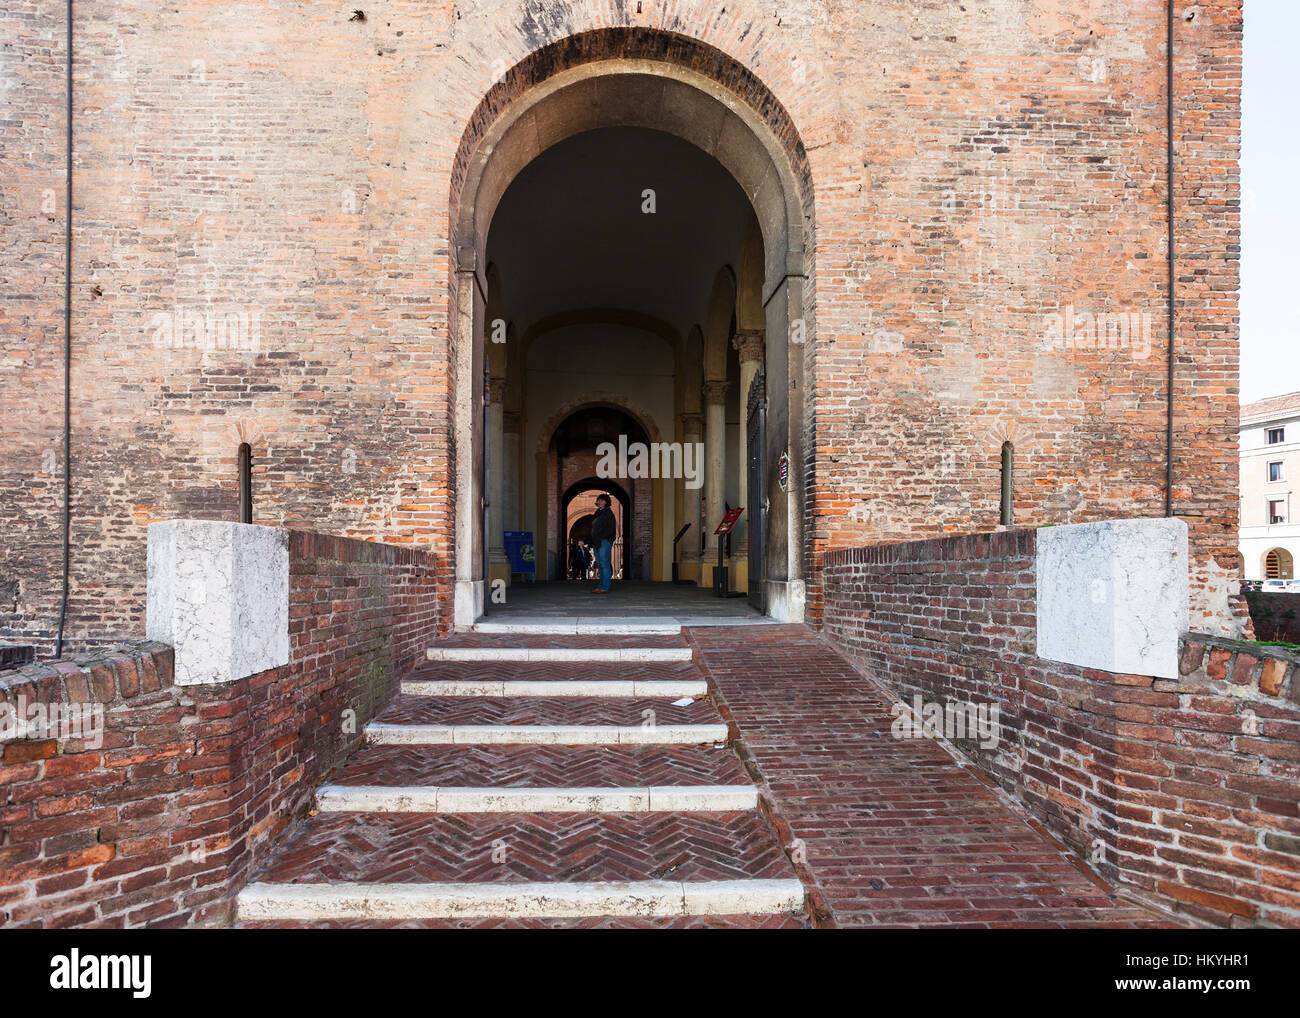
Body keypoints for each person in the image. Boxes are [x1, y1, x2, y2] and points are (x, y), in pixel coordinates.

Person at [590, 494, 616, 594]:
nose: (599, 501)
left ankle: (605, 587)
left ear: (606, 502)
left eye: (602, 500)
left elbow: (611, 529)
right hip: (596, 541)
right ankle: (600, 586)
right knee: (600, 564)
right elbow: (593, 528)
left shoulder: (608, 513)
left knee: (604, 564)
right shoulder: (597, 512)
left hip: (604, 541)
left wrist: (602, 538)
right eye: (598, 500)